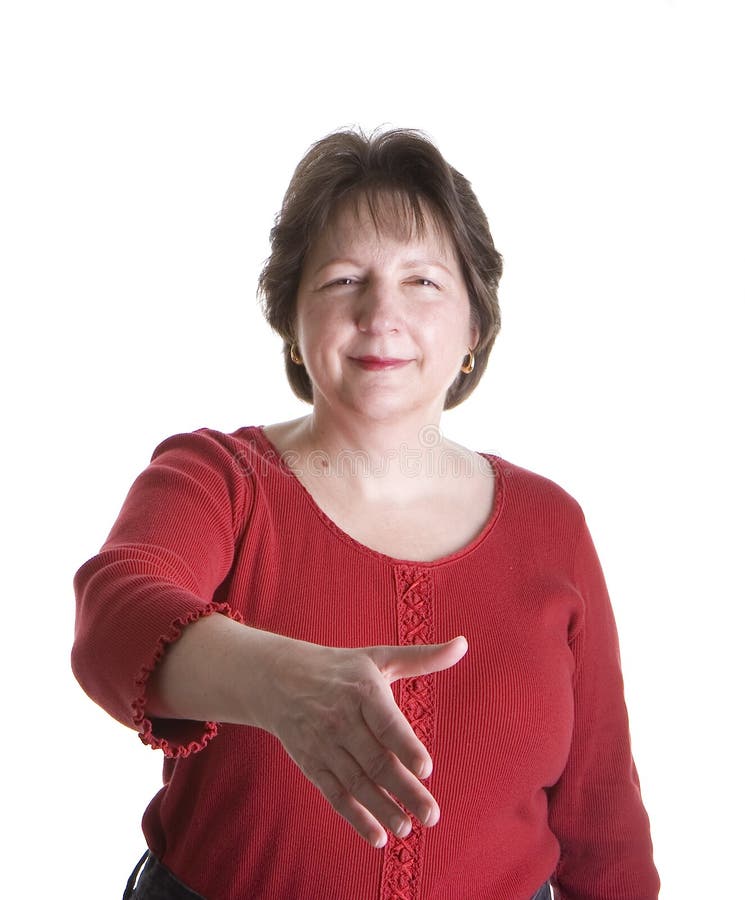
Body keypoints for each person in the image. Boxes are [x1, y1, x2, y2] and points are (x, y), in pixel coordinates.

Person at [72, 127, 660, 900]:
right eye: (344, 278)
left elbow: (601, 819)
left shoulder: (552, 525)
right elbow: (114, 615)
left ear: (473, 331)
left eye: (422, 282)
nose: (382, 312)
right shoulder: (216, 477)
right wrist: (279, 684)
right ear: (291, 323)